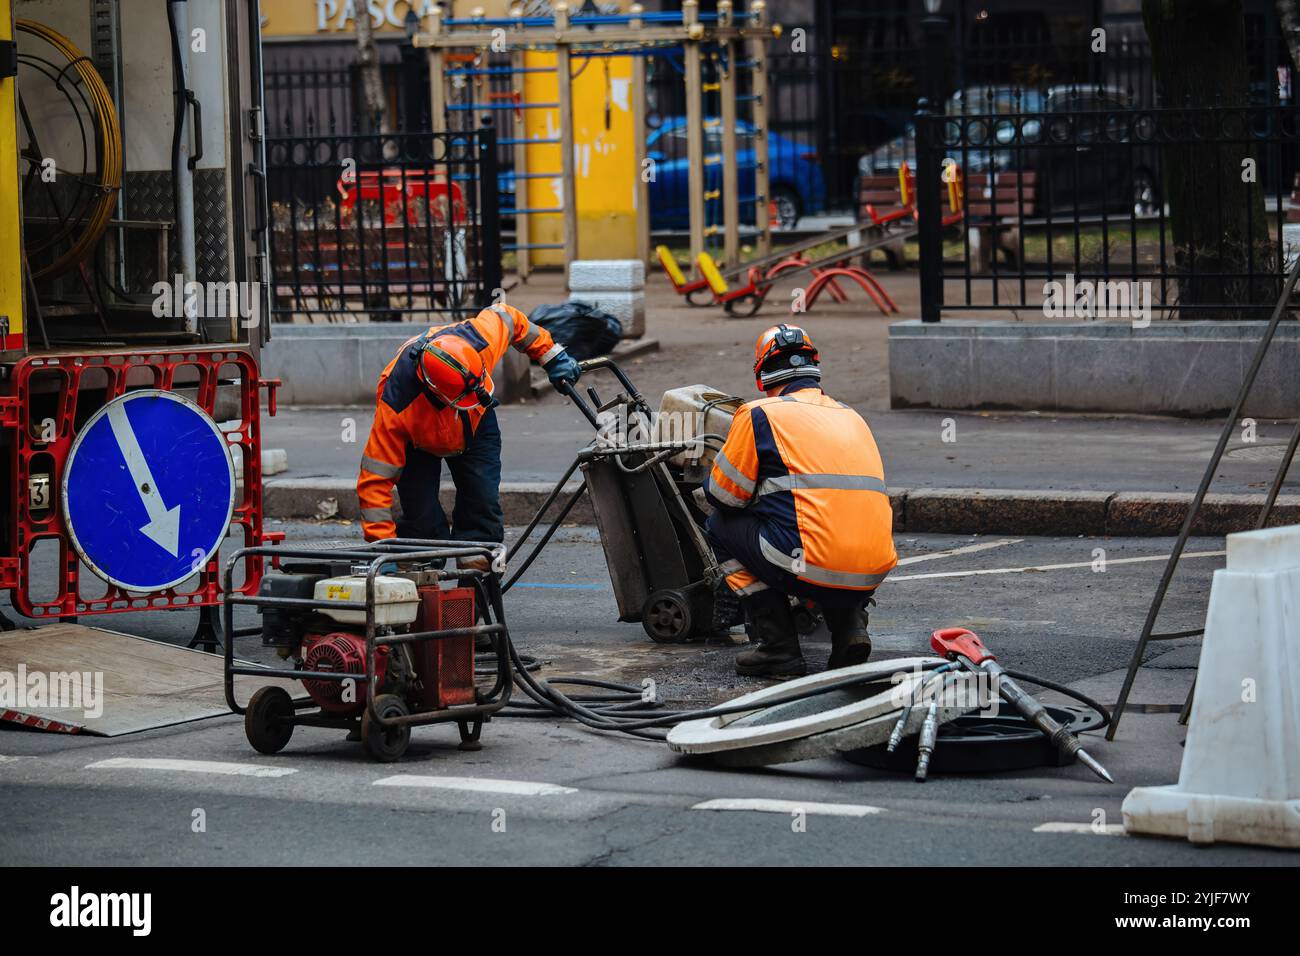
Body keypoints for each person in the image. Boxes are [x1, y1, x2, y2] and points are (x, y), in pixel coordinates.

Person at [703, 324, 897, 677]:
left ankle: (779, 649)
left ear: (763, 375)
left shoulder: (759, 413)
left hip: (809, 563)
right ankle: (850, 628)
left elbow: (723, 496)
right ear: (814, 369)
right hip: (873, 568)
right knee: (831, 531)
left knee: (719, 527)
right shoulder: (853, 417)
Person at [356, 303, 581, 563]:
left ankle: (476, 587)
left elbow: (509, 316)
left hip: (477, 423)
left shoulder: (480, 339)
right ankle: (422, 584)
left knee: (481, 507)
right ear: (436, 391)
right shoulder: (397, 406)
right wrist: (383, 552)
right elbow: (374, 483)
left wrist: (551, 355)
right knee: (422, 523)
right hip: (417, 443)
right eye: (465, 396)